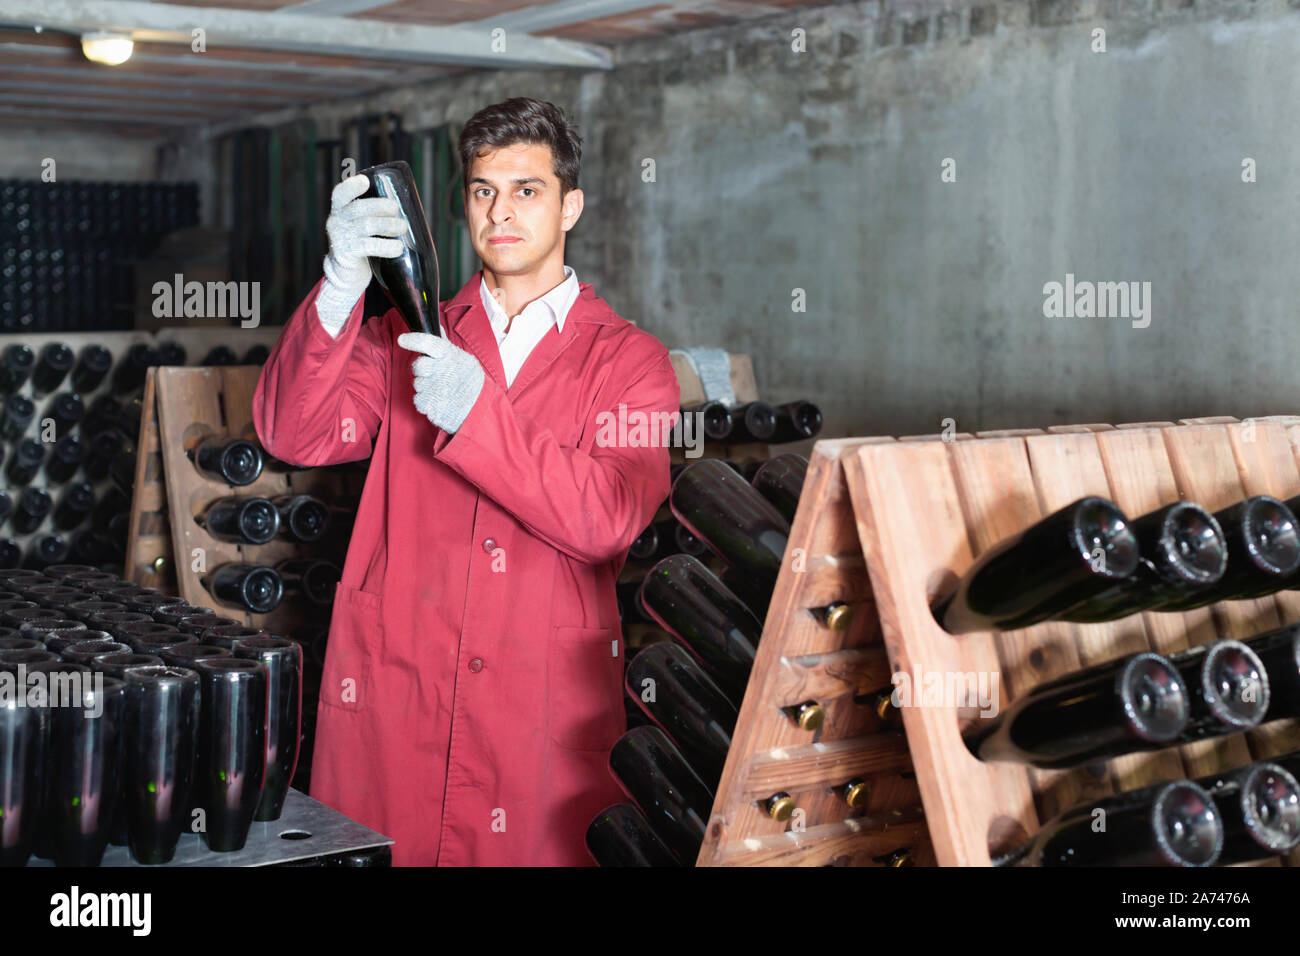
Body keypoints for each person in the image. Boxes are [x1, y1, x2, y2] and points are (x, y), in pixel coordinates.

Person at [252, 97, 680, 865]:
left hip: (538, 706)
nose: (502, 211)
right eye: (484, 190)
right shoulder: (408, 334)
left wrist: (478, 411)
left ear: (570, 206)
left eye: (527, 190)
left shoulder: (630, 363)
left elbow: (610, 516)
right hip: (398, 690)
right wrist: (340, 290)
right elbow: (293, 430)